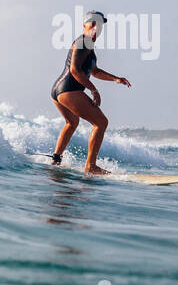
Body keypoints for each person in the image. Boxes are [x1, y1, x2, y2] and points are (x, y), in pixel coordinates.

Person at [49, 10, 131, 174]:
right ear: (84, 25)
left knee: (72, 123)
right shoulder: (84, 41)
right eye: (93, 23)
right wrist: (94, 90)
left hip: (59, 90)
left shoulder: (88, 44)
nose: (96, 27)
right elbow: (75, 70)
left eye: (99, 24)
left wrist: (115, 78)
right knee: (101, 122)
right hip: (68, 89)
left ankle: (56, 159)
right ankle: (91, 166)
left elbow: (94, 71)